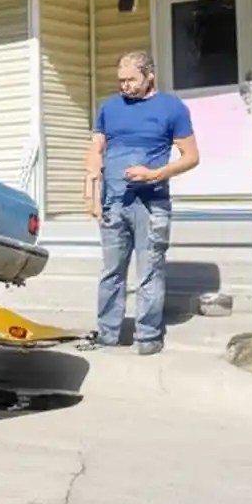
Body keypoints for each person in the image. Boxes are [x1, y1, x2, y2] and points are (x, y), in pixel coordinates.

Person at [83, 50, 199, 355]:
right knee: (111, 272)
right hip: (114, 203)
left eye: (131, 80)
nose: (125, 86)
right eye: (121, 80)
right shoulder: (108, 107)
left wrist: (156, 173)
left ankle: (147, 336)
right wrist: (91, 194)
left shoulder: (172, 108)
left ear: (149, 76)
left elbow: (192, 157)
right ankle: (108, 333)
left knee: (149, 272)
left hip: (152, 204)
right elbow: (95, 151)